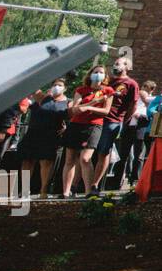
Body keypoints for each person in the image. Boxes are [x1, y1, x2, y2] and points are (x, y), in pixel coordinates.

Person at [61, 66, 115, 197]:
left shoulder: (108, 91)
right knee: (70, 159)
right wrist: (94, 102)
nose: (98, 75)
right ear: (90, 75)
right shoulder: (81, 90)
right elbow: (75, 109)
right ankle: (66, 192)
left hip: (93, 126)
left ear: (105, 76)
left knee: (85, 158)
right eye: (96, 72)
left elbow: (106, 111)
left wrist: (89, 107)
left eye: (101, 73)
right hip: (76, 124)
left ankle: (88, 191)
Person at [89, 55, 139, 193]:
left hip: (112, 121)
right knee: (88, 151)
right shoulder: (107, 81)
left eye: (119, 64)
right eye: (115, 64)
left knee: (103, 152)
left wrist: (124, 119)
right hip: (96, 119)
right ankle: (82, 183)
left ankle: (95, 184)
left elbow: (133, 104)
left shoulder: (131, 84)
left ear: (127, 67)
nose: (115, 66)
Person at [18, 80, 70, 197]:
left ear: (65, 88)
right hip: (33, 133)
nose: (56, 87)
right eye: (54, 85)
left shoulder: (67, 103)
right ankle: (24, 190)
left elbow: (70, 116)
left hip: (50, 136)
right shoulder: (44, 98)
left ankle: (43, 190)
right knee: (27, 161)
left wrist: (66, 126)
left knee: (46, 163)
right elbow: (33, 87)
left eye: (60, 85)